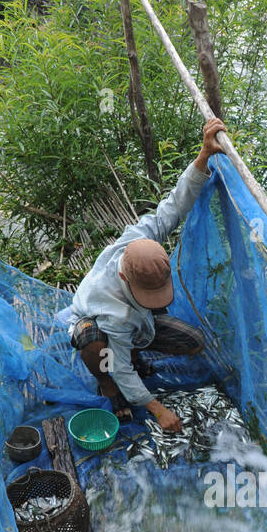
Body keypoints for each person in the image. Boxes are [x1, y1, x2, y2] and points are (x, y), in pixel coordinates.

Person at [67, 116, 227, 434]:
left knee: (194, 342)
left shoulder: (140, 239)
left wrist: (204, 155)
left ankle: (135, 346)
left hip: (139, 326)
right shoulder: (112, 307)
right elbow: (122, 369)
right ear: (126, 280)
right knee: (93, 342)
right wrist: (158, 409)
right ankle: (106, 387)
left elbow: (175, 205)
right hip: (99, 328)